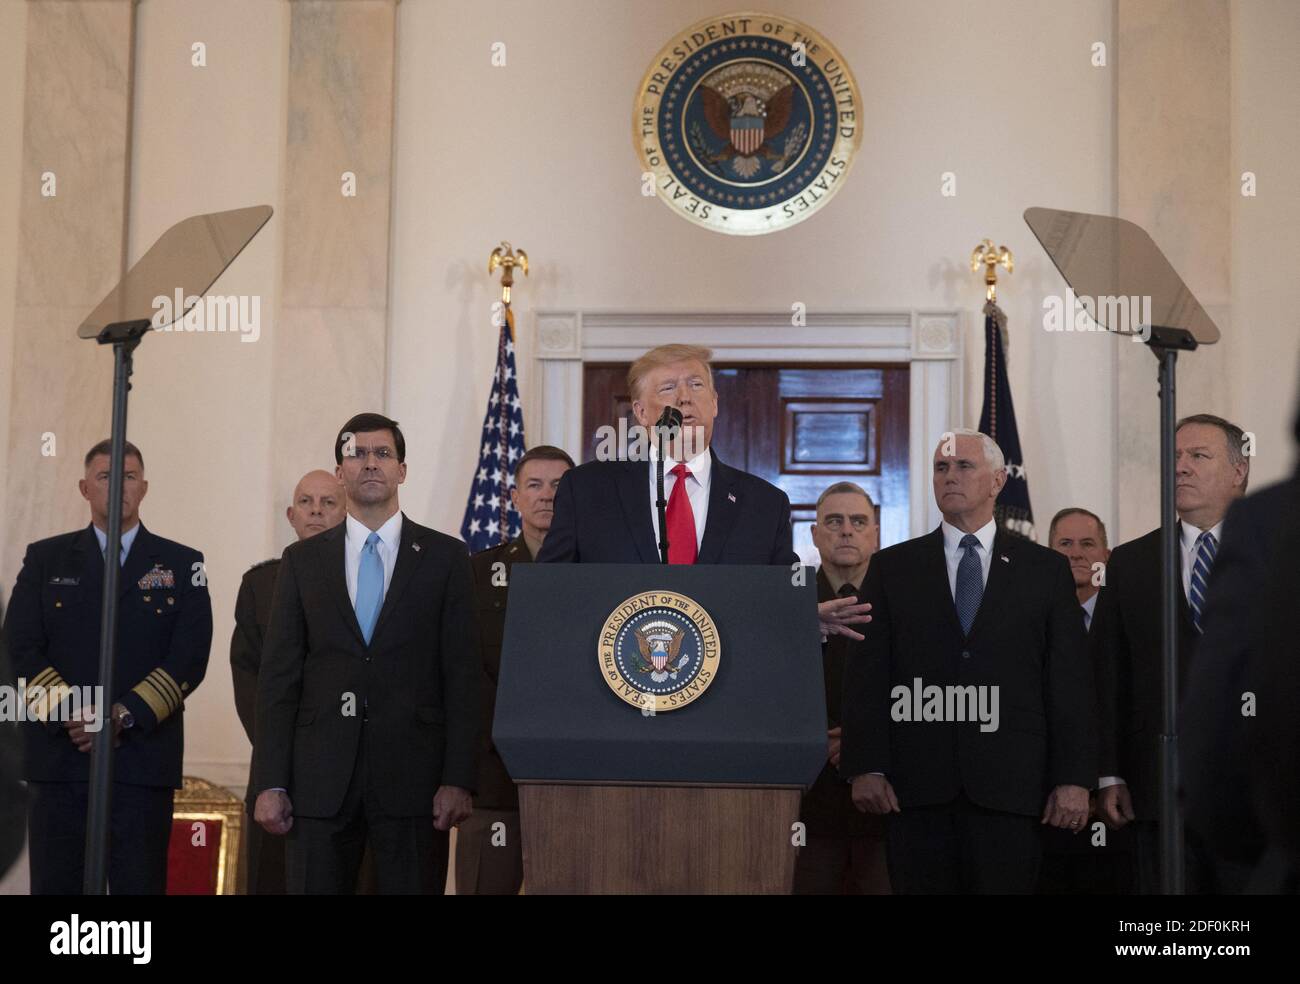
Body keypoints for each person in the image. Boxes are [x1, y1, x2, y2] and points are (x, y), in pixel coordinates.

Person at [841, 429, 1095, 894]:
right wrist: (867, 765)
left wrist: (1074, 779)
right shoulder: (892, 567)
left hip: (1014, 790)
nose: (949, 477)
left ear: (998, 480)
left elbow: (1069, 682)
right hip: (914, 791)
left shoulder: (1046, 570)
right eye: (941, 468)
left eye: (963, 466)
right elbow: (867, 674)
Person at [252, 413, 479, 894]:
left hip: (416, 783)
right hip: (318, 783)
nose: (369, 463)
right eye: (357, 454)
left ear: (402, 470)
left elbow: (463, 676)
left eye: (382, 454)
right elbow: (279, 680)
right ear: (340, 471)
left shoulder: (446, 558)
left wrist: (458, 777)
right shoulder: (301, 562)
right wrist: (270, 781)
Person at [537, 344, 869, 642]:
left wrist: (802, 617)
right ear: (640, 413)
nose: (684, 398)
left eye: (696, 385)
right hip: (614, 690)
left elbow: (780, 597)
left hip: (728, 696)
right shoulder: (588, 490)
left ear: (714, 403)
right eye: (668, 388)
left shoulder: (764, 504)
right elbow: (548, 594)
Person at [4, 439, 213, 893]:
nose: (119, 485)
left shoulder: (182, 564)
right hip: (62, 763)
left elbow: (190, 656)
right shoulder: (45, 559)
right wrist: (72, 715)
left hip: (141, 762)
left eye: (130, 476)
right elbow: (19, 648)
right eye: (105, 476)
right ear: (84, 488)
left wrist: (119, 717)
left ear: (145, 488)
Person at [1093, 413, 1249, 893]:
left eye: (1198, 456)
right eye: (1175, 457)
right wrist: (1108, 772)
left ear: (1238, 471)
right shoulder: (1131, 562)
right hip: (1156, 789)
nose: (1181, 468)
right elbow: (1107, 674)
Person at [458, 444, 574, 895]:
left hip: (576, 779)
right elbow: (463, 669)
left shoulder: (600, 573)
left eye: (560, 487)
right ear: (514, 497)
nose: (547, 496)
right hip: (494, 778)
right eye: (535, 485)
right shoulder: (478, 572)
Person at [231, 469, 345, 894]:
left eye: (328, 502)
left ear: (347, 511)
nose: (316, 511)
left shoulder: (368, 577)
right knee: (272, 880)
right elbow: (249, 678)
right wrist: (277, 750)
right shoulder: (261, 585)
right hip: (278, 768)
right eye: (306, 502)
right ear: (291, 514)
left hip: (346, 768)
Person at [794, 481, 890, 895]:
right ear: (815, 534)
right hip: (807, 798)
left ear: (875, 532)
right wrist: (824, 740)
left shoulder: (904, 598)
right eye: (834, 521)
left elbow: (923, 689)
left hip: (885, 797)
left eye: (858, 521)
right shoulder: (789, 599)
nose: (846, 531)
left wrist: (862, 741)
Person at [1036, 507, 1132, 894]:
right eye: (1065, 544)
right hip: (1046, 800)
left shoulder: (1128, 616)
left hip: (1117, 799)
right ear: (1047, 552)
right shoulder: (1028, 619)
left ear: (1105, 555)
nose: (1075, 554)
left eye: (1087, 544)